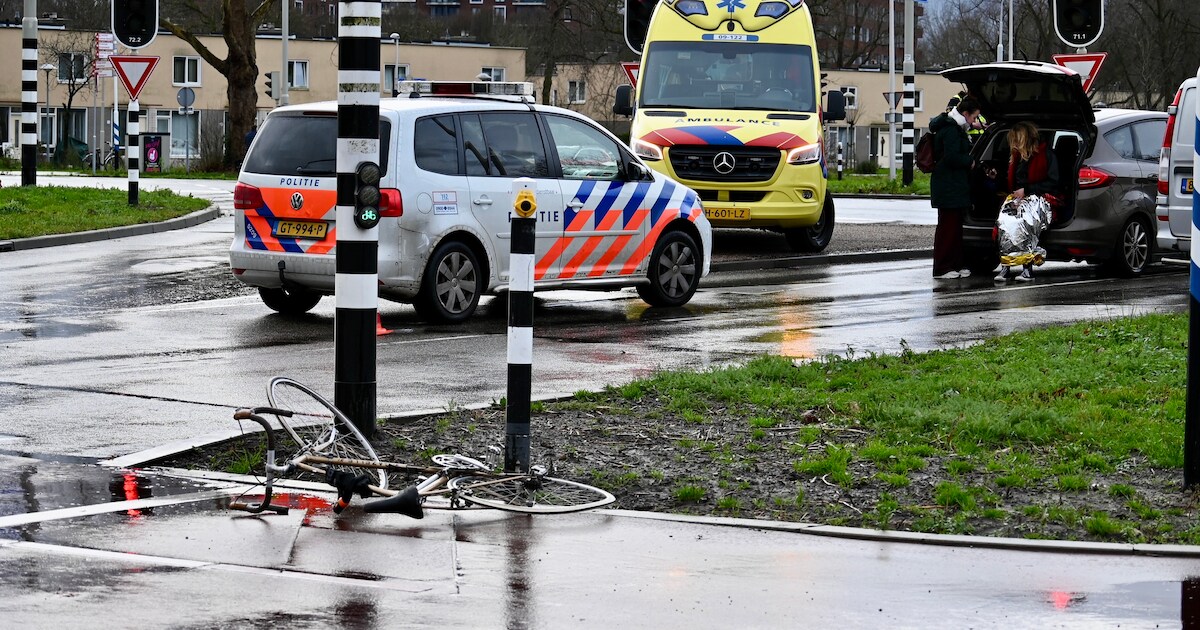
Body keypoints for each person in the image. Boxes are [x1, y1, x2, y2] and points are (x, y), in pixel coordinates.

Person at [994, 121, 1059, 282]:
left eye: (1017, 140)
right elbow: (1012, 183)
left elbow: (1053, 182)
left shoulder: (1046, 155)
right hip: (1019, 198)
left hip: (1040, 197)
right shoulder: (1016, 157)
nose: (1014, 144)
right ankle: (1006, 266)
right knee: (1004, 222)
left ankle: (1027, 268)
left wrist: (1027, 190)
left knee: (1025, 222)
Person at [928, 97, 982, 279]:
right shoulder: (951, 129)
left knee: (955, 228)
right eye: (973, 117)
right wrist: (970, 161)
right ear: (965, 114)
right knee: (948, 228)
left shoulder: (954, 127)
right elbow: (951, 157)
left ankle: (956, 264)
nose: (974, 122)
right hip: (948, 186)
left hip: (953, 185)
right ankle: (943, 267)